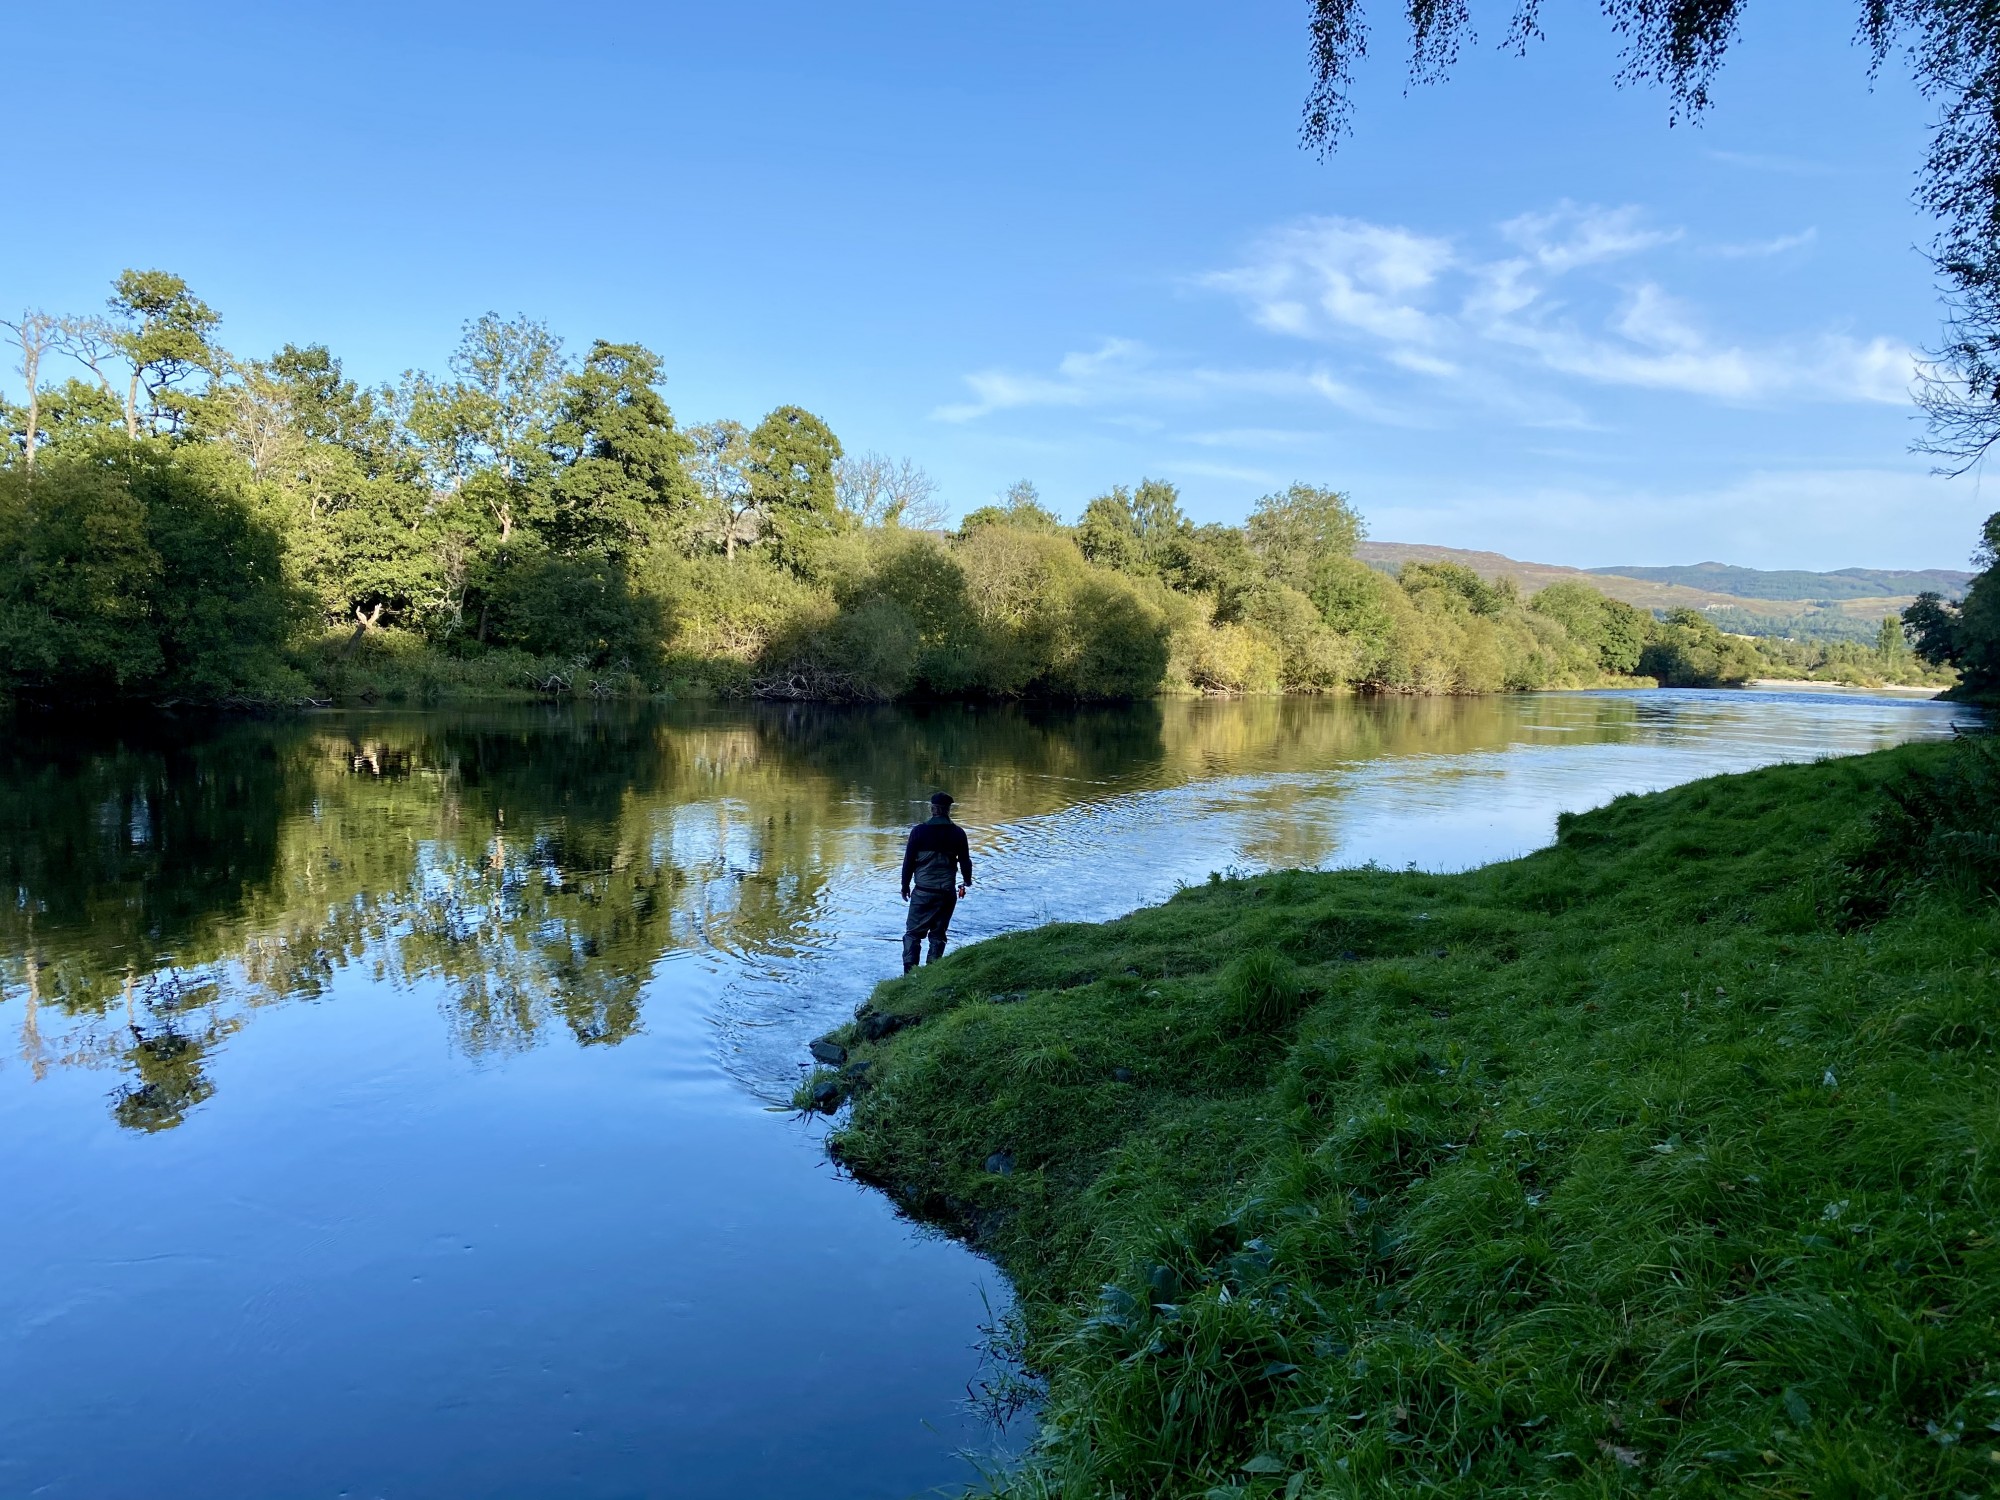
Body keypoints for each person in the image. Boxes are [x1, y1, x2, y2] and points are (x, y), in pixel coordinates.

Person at [900, 790, 972, 973]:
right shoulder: (958, 833)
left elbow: (908, 862)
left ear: (932, 809)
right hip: (946, 894)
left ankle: (910, 972)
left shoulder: (918, 832)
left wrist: (904, 886)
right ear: (948, 810)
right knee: (938, 934)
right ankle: (932, 971)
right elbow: (965, 861)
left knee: (913, 934)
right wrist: (967, 881)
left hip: (923, 892)